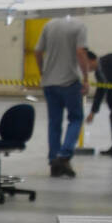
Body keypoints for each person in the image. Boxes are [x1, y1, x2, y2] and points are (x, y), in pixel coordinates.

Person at [33, 17, 89, 177]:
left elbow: (37, 51)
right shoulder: (79, 26)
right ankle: (64, 156)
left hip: (49, 83)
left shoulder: (48, 25)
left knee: (54, 122)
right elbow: (80, 51)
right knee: (76, 118)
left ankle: (53, 160)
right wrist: (85, 78)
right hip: (70, 82)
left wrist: (42, 72)